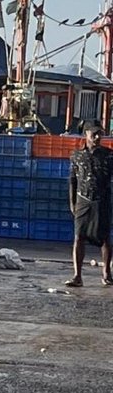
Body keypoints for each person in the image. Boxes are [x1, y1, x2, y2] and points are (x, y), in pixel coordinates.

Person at [67, 123, 113, 288]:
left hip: (102, 201)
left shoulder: (108, 155)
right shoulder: (77, 156)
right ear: (86, 134)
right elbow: (72, 180)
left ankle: (107, 274)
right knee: (79, 237)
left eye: (100, 134)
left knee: (105, 238)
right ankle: (77, 275)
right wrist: (72, 202)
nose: (97, 137)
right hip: (83, 200)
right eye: (94, 134)